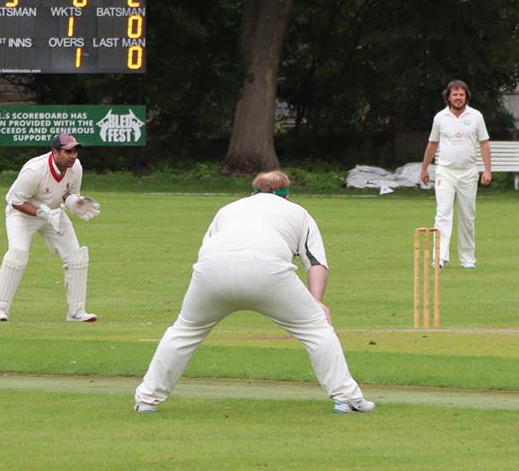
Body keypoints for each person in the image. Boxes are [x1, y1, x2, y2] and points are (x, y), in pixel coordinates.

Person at [133, 170, 374, 415]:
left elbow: (207, 251)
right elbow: (315, 263)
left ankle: (146, 400)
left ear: (252, 192)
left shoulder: (228, 209)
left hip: (212, 270)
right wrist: (317, 302)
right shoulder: (298, 212)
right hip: (267, 269)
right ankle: (347, 398)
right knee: (317, 329)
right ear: (287, 195)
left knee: (184, 331)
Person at [0, 132, 101, 323]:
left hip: (55, 214)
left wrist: (76, 203)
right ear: (55, 152)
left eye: (75, 151)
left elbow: (68, 193)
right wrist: (41, 213)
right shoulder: (34, 171)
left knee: (76, 257)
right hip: (22, 215)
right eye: (68, 152)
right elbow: (14, 201)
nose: (73, 156)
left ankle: (76, 312)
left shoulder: (76, 168)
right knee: (18, 254)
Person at [419, 79, 492, 269]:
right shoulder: (440, 117)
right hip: (445, 171)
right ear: (448, 97)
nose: (458, 98)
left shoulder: (476, 116)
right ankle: (440, 257)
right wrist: (424, 168)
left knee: (467, 216)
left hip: (468, 173)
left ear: (466, 96)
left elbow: (484, 143)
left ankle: (468, 260)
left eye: (461, 94)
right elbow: (432, 143)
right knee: (443, 213)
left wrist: (487, 169)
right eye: (454, 94)